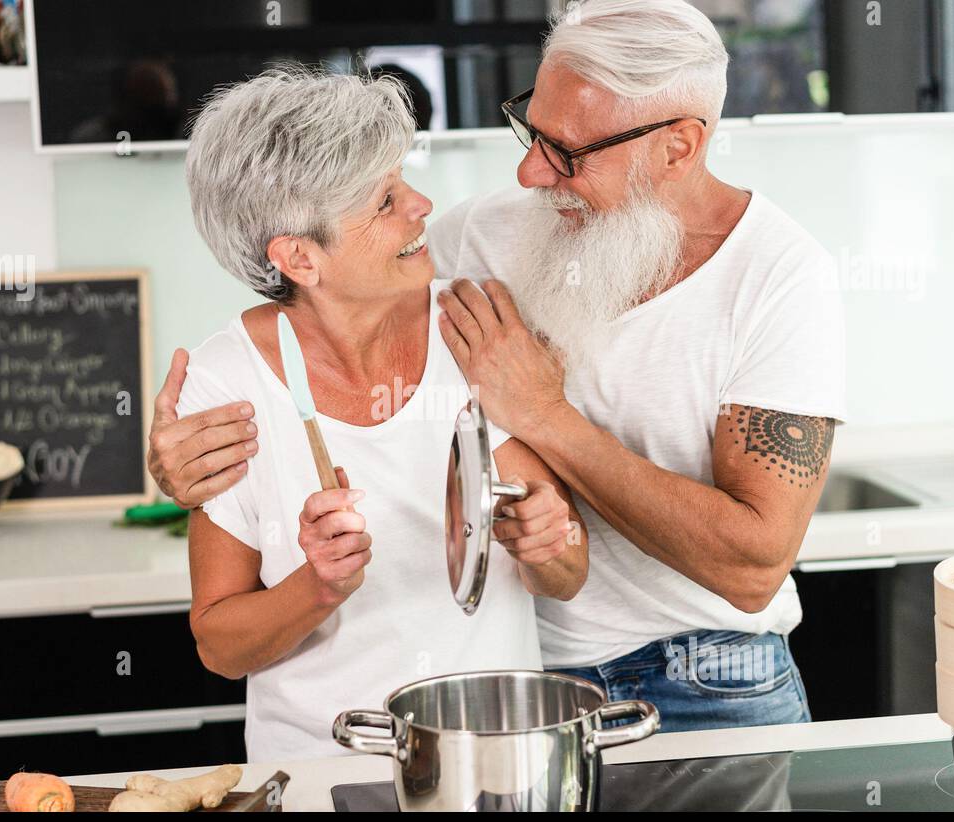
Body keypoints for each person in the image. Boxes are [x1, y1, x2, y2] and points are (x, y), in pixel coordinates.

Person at [152, 0, 845, 734]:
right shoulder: (483, 240)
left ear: (677, 147)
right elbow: (327, 287)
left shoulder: (779, 277)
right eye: (530, 129)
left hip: (701, 681)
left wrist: (545, 414)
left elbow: (752, 567)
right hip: (515, 692)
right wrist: (180, 461)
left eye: (567, 151)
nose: (529, 171)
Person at [175, 67, 588, 762]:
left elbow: (567, 572)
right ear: (299, 258)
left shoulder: (472, 329)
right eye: (385, 201)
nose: (421, 204)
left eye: (406, 180)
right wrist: (318, 586)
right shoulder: (226, 381)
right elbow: (219, 645)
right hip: (315, 775)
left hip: (487, 762)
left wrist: (549, 541)